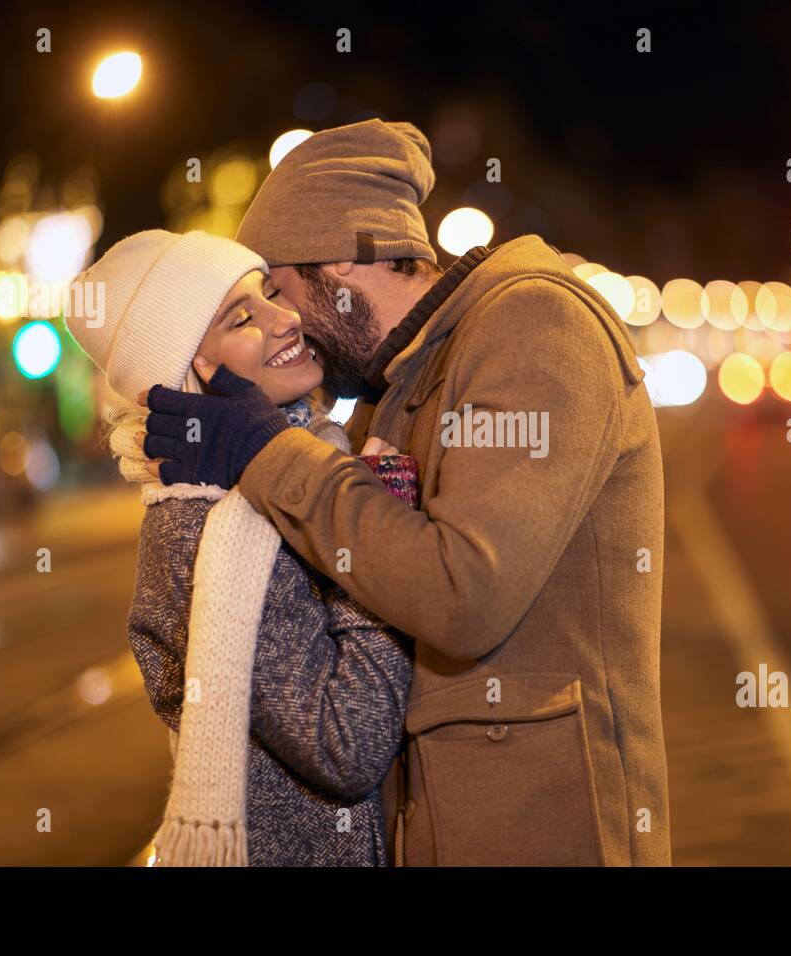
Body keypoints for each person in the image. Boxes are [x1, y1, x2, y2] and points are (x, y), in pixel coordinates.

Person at [139, 119, 671, 866]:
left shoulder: (533, 324)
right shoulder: (404, 388)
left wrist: (267, 453)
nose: (289, 325)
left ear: (341, 265)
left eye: (285, 292)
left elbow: (465, 592)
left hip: (541, 834)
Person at [64, 229, 417, 866]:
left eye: (269, 294)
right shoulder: (205, 528)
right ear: (191, 377)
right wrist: (377, 531)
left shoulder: (310, 462)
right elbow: (346, 741)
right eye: (241, 317)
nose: (287, 319)